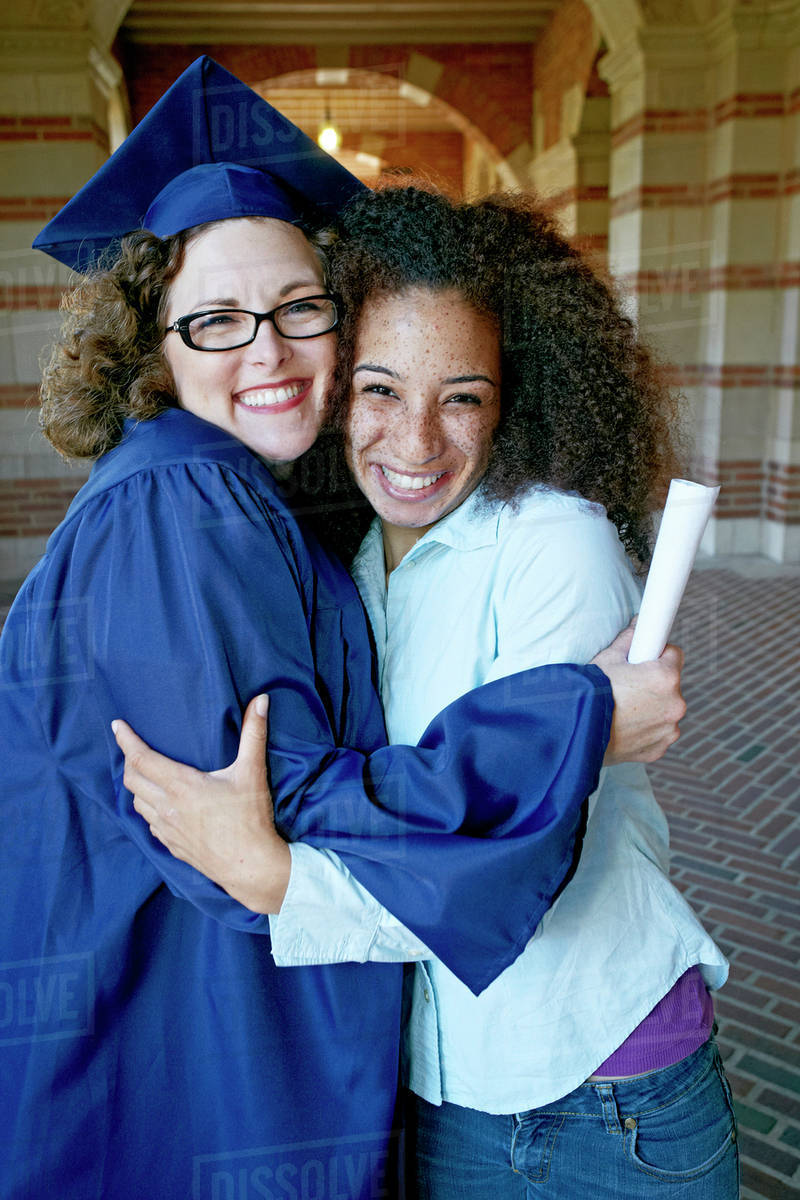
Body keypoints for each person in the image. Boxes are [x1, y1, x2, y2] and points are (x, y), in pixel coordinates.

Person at [0, 59, 685, 1200]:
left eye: (297, 308)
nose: (266, 349)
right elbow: (276, 817)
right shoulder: (183, 501)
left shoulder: (253, 500)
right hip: (187, 1050)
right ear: (153, 346)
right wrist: (578, 722)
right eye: (215, 321)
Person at [118, 187, 737, 1198]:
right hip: (440, 1088)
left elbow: (502, 856)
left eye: (462, 397)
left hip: (600, 1091)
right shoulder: (345, 561)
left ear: (513, 397)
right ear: (331, 386)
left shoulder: (553, 546)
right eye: (378, 389)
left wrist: (275, 879)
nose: (415, 444)